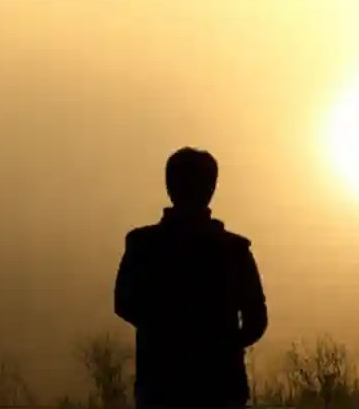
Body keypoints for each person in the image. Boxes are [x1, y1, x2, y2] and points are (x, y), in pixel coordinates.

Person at [114, 147, 268, 409]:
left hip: (160, 380)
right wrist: (223, 345)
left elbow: (124, 303)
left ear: (169, 186)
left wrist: (162, 332)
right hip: (219, 384)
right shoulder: (234, 250)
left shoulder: (143, 245)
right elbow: (256, 319)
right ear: (211, 187)